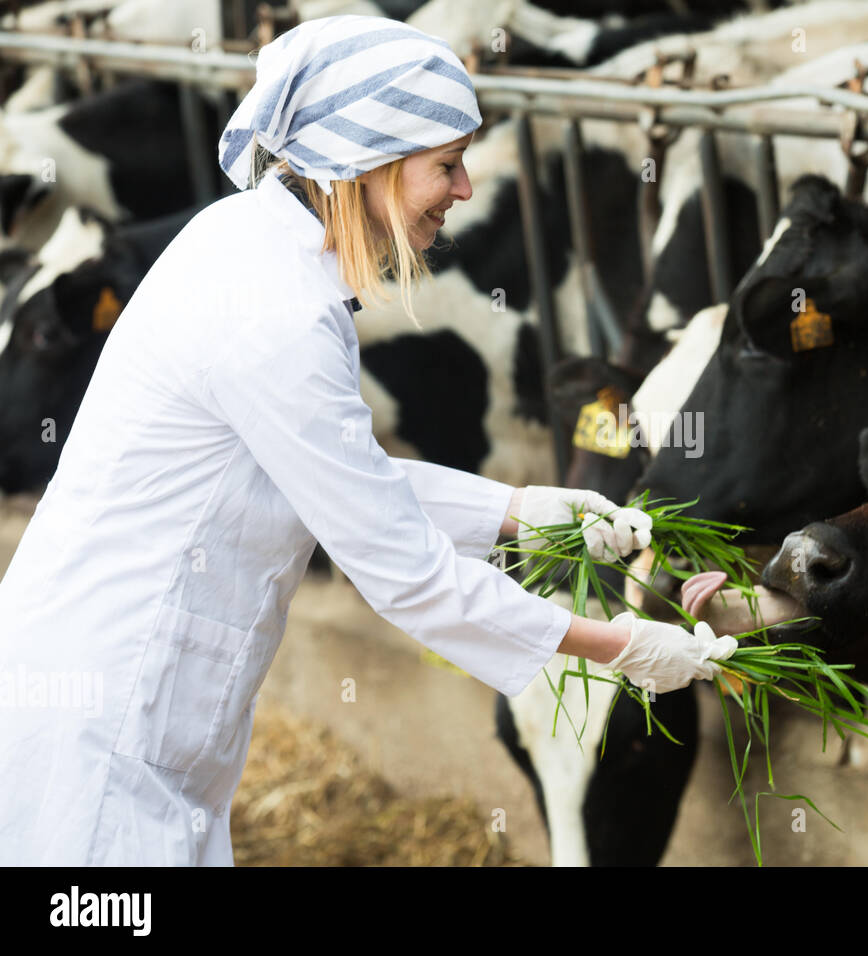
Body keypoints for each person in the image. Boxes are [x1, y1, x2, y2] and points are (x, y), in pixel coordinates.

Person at [0, 15, 735, 866]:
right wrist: (624, 647)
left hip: (130, 707)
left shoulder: (249, 247)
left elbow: (331, 480)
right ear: (370, 161)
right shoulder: (277, 314)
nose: (464, 191)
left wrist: (525, 511)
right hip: (102, 735)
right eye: (446, 165)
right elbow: (404, 571)